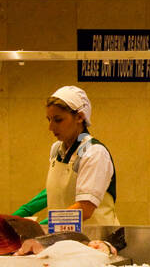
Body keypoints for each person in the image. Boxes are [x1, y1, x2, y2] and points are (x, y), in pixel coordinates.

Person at [13, 85, 120, 227]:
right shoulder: (57, 149)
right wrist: (22, 213)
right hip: (64, 239)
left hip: (94, 241)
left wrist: (43, 226)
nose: (51, 127)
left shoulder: (94, 152)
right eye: (49, 120)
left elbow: (85, 209)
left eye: (58, 120)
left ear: (80, 117)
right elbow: (58, 189)